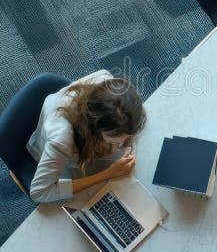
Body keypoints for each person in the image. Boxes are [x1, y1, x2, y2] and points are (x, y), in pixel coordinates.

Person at [26, 70, 146, 203]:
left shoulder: (107, 81)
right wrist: (107, 174)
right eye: (119, 139)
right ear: (96, 129)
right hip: (60, 156)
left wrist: (126, 141)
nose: (123, 144)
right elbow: (39, 193)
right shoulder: (62, 142)